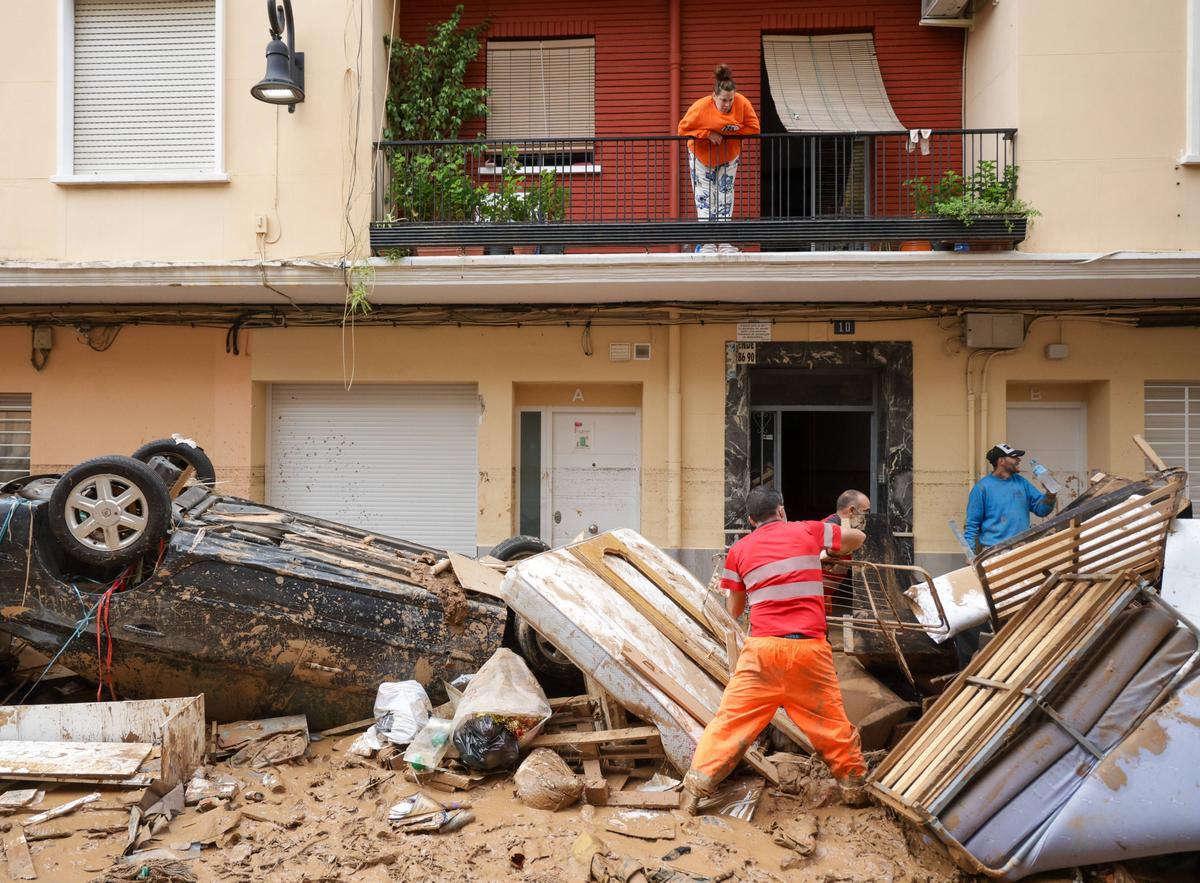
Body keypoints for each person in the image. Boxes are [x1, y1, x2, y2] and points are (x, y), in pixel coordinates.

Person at [680, 487, 868, 814]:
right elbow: (855, 540)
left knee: (730, 723)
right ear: (781, 510)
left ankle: (694, 790)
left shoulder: (738, 551)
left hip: (762, 652)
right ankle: (853, 787)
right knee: (832, 723)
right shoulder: (807, 530)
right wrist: (827, 554)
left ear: (751, 520)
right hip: (809, 650)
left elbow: (735, 610)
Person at [957, 443, 1057, 666]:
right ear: (1001, 460)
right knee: (998, 604)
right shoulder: (983, 488)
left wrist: (1050, 495)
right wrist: (970, 555)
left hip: (1022, 552)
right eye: (1014, 457)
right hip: (995, 554)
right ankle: (996, 649)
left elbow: (1041, 509)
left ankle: (1019, 647)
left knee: (1021, 600)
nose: (1018, 461)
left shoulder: (1021, 483)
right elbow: (972, 525)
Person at [677, 64, 760, 254]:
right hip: (701, 156)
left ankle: (722, 242)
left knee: (724, 195)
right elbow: (682, 129)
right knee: (704, 198)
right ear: (714, 96)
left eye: (730, 100)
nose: (727, 104)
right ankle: (707, 243)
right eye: (723, 100)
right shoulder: (700, 107)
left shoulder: (742, 103)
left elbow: (754, 128)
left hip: (729, 155)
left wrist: (730, 130)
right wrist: (707, 133)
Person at [822, 490, 871, 616]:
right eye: (865, 511)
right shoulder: (827, 529)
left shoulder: (847, 530)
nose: (867, 517)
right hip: (812, 596)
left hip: (824, 596)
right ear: (852, 511)